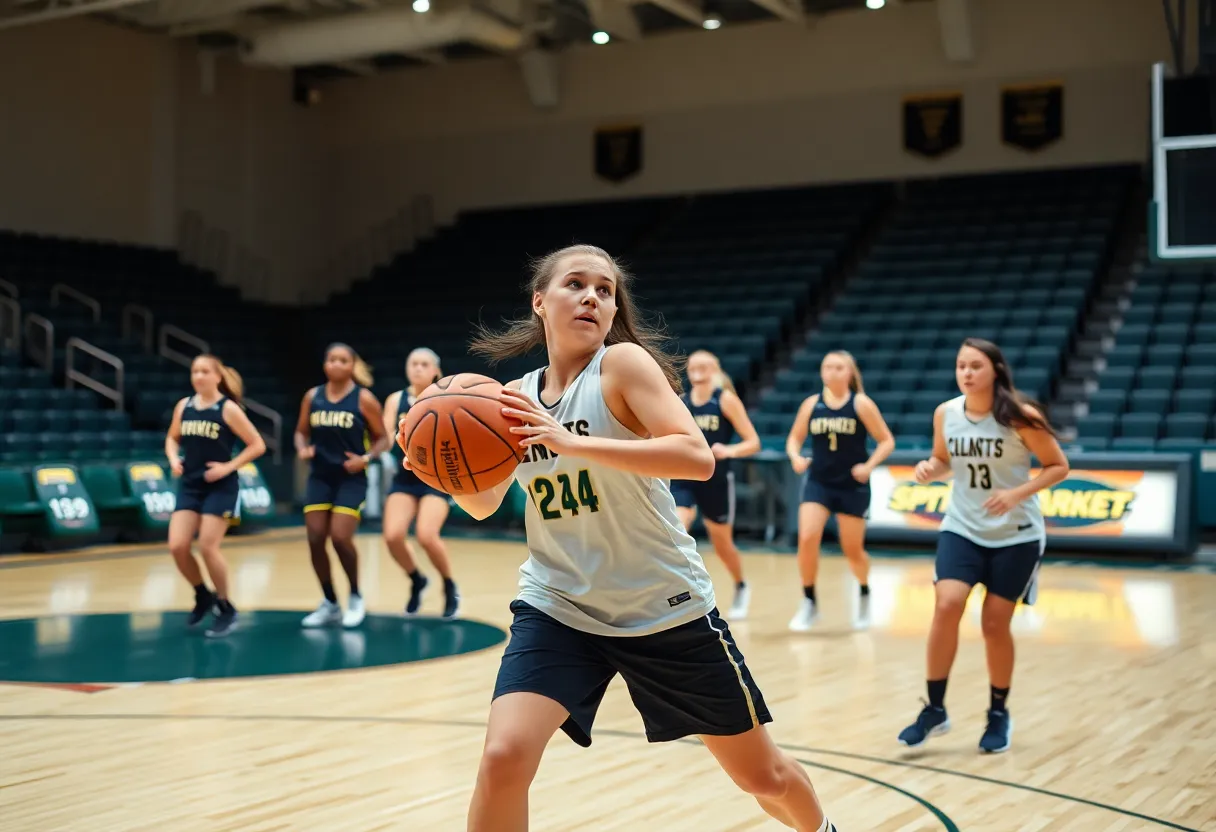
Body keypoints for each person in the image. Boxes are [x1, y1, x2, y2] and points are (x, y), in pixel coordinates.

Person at [401, 244, 839, 832]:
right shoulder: (510, 400)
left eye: (605, 290)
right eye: (575, 284)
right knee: (503, 758)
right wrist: (442, 468)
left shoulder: (623, 366)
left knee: (763, 778)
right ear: (539, 301)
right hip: (559, 605)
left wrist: (574, 442)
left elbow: (696, 457)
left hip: (663, 609)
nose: (592, 297)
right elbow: (480, 505)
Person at [897, 338, 1069, 754]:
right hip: (962, 526)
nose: (967, 373)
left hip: (1016, 533)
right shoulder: (946, 413)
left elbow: (1058, 466)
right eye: (961, 366)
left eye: (975, 365)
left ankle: (997, 713)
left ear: (995, 369)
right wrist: (929, 468)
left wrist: (1017, 493)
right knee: (946, 604)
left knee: (994, 624)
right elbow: (943, 459)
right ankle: (934, 708)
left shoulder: (1021, 416)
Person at [785, 351, 894, 631]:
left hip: (851, 485)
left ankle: (865, 592)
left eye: (838, 367)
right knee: (807, 537)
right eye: (826, 367)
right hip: (819, 481)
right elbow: (794, 440)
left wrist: (869, 466)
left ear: (849, 373)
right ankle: (809, 600)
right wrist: (796, 458)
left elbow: (886, 441)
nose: (831, 371)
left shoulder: (861, 403)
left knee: (853, 549)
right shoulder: (812, 404)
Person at [165, 354, 267, 638]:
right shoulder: (183, 406)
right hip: (190, 484)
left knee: (208, 547)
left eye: (205, 371)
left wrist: (228, 467)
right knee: (178, 546)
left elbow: (257, 445)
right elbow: (173, 437)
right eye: (195, 371)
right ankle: (202, 594)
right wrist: (173, 458)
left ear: (217, 377)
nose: (198, 376)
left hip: (221, 486)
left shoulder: (228, 409)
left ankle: (225, 605)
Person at [294, 343, 390, 629]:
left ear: (352, 366)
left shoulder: (364, 399)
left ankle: (356, 595)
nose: (336, 364)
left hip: (351, 477)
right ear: (325, 364)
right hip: (320, 477)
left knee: (339, 537)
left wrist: (366, 458)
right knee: (314, 537)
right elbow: (300, 432)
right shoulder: (312, 396)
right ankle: (330, 602)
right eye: (331, 359)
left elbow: (382, 439)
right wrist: (302, 449)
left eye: (343, 360)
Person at [670, 349, 760, 620]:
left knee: (721, 543)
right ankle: (683, 596)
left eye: (705, 365)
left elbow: (753, 442)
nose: (698, 368)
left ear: (715, 370)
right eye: (694, 364)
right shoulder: (681, 401)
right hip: (685, 477)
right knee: (677, 529)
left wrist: (729, 451)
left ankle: (741, 585)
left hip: (716, 479)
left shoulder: (726, 400)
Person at [382, 347, 460, 619]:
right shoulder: (396, 399)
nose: (417, 368)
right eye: (413, 363)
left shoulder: (446, 395)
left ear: (435, 370)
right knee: (392, 536)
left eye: (424, 364)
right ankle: (417, 579)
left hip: (436, 476)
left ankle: (449, 585)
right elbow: (386, 436)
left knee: (426, 535)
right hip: (406, 474)